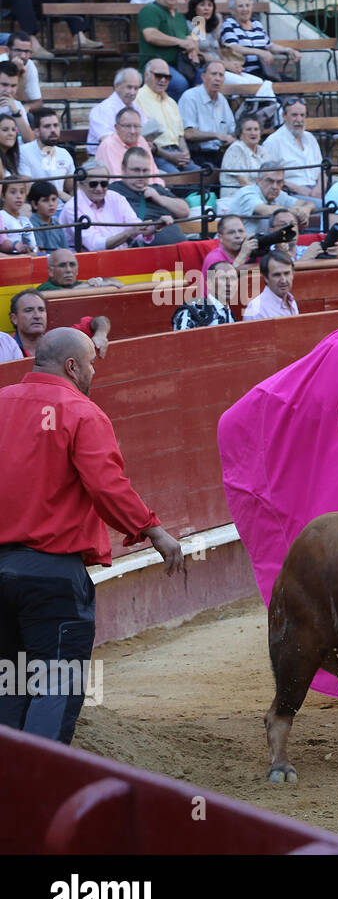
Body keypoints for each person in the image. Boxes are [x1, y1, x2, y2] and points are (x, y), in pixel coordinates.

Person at [0, 328, 183, 745]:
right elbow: (106, 486)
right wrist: (153, 529)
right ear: (72, 366)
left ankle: (7, 789)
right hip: (51, 574)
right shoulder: (80, 411)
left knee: (7, 680)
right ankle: (40, 788)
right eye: (92, 362)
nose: (93, 371)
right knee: (56, 680)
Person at [57, 165, 169, 252]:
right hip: (87, 264)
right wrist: (128, 233)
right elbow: (94, 245)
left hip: (120, 258)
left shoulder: (115, 198)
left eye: (104, 184)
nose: (99, 189)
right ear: (81, 185)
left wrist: (156, 226)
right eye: (93, 184)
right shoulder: (72, 208)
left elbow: (136, 227)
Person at [7, 289, 110, 360]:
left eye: (41, 310)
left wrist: (101, 334)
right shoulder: (4, 347)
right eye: (29, 310)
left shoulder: (58, 338)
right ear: (14, 318)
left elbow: (99, 320)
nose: (37, 315)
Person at [221, 0, 300, 79]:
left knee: (291, 84)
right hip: (243, 71)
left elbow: (269, 45)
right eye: (240, 6)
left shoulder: (256, 24)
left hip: (264, 71)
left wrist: (288, 50)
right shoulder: (229, 24)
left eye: (247, 5)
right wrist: (260, 52)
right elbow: (233, 47)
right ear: (233, 9)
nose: (245, 9)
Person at [136, 58, 196, 174]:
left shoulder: (171, 102)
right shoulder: (137, 99)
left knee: (201, 176)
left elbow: (180, 136)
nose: (163, 80)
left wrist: (185, 153)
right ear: (146, 75)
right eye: (158, 76)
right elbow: (143, 140)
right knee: (177, 180)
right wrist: (170, 156)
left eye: (167, 77)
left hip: (177, 152)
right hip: (155, 154)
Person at [138, 0, 200, 100]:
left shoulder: (179, 16)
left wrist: (193, 48)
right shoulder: (149, 10)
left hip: (182, 64)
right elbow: (150, 35)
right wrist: (180, 42)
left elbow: (189, 37)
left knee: (205, 76)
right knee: (179, 83)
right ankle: (176, 115)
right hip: (156, 64)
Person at [262, 98, 322, 206]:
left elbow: (322, 170)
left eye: (302, 115)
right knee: (328, 206)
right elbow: (267, 177)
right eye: (294, 115)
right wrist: (298, 189)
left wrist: (320, 187)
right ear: (284, 116)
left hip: (317, 190)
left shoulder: (310, 138)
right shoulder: (273, 141)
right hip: (290, 193)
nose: (299, 120)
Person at [228, 164, 312, 234]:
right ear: (258, 181)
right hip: (234, 247)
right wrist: (296, 212)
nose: (275, 187)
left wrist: (305, 210)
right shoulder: (247, 192)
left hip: (261, 246)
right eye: (270, 181)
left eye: (279, 182)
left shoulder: (279, 194)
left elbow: (309, 204)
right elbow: (266, 210)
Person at [94, 107, 165, 186]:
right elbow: (118, 182)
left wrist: (160, 190)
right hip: (124, 193)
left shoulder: (141, 140)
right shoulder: (108, 145)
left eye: (136, 126)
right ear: (117, 128)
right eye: (128, 126)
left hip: (149, 190)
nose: (133, 131)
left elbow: (154, 174)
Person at [18, 109, 74, 202]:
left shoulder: (64, 153)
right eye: (47, 126)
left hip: (61, 208)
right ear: (36, 132)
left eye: (56, 125)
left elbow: (72, 188)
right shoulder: (24, 152)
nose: (53, 130)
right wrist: (58, 193)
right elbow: (26, 190)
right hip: (35, 210)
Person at [173, 259, 238, 330]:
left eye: (233, 278)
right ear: (209, 283)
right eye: (222, 278)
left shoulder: (230, 315)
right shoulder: (191, 311)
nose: (229, 284)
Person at [87, 68, 142, 152]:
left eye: (136, 88)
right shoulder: (103, 109)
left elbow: (145, 131)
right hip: (103, 158)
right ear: (117, 86)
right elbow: (108, 141)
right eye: (129, 87)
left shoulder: (136, 107)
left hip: (134, 155)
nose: (132, 92)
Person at [242, 251, 298, 321]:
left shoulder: (291, 301)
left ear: (292, 274)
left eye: (287, 273)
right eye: (277, 275)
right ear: (266, 278)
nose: (283, 280)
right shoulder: (255, 310)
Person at [37, 248, 125, 292]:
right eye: (62, 266)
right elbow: (68, 294)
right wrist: (89, 285)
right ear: (51, 271)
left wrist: (100, 281)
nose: (68, 270)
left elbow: (119, 284)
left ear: (77, 270)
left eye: (72, 265)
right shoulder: (45, 288)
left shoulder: (79, 284)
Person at [220, 116, 266, 198]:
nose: (253, 133)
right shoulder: (236, 149)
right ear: (240, 134)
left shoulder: (262, 150)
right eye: (249, 129)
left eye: (256, 129)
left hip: (257, 194)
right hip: (238, 196)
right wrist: (263, 196)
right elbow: (244, 182)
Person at [0, 31, 44, 108]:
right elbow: (10, 100)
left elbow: (37, 102)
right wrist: (20, 74)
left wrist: (26, 108)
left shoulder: (29, 65)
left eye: (27, 51)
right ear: (7, 50)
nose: (23, 56)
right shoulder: (1, 62)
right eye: (18, 50)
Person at [26, 180, 63, 254]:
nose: (51, 204)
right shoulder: (32, 225)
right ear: (34, 204)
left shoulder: (57, 224)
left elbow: (65, 248)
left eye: (54, 199)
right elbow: (40, 252)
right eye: (45, 200)